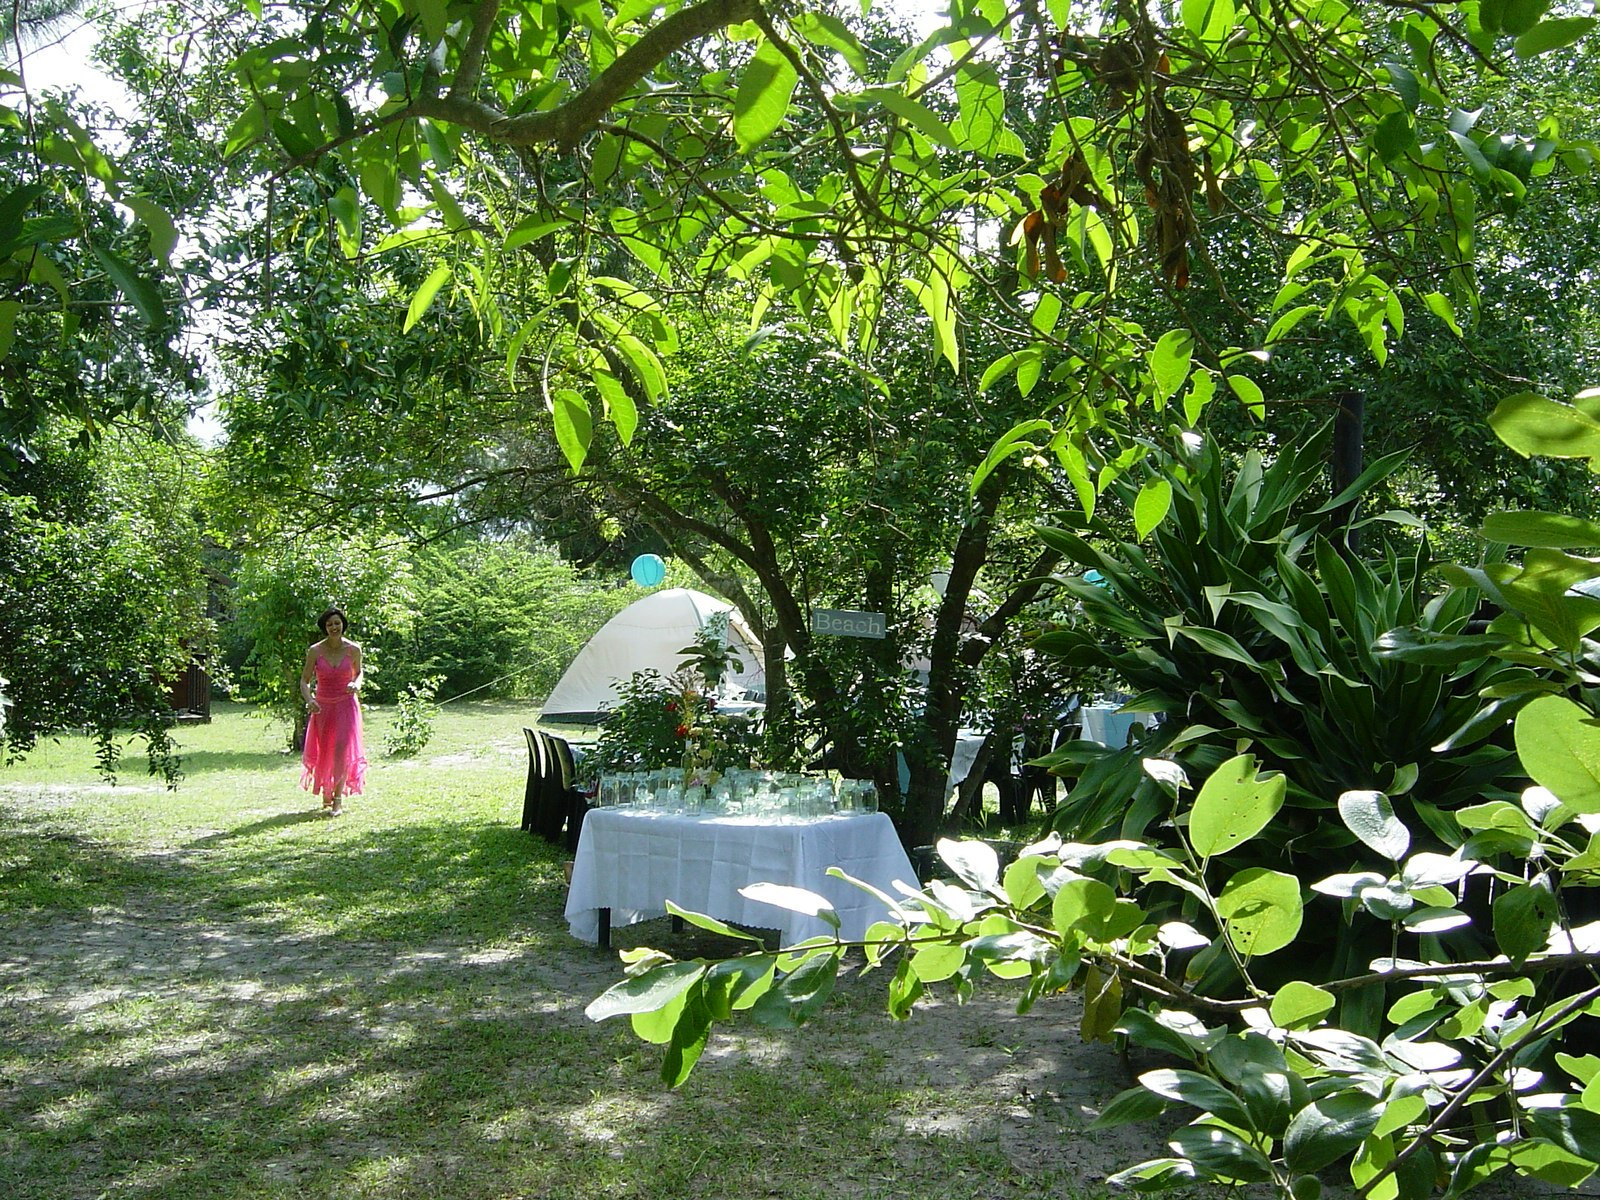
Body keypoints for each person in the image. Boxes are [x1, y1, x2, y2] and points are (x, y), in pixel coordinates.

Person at [299, 607, 367, 816]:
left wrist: (356, 684)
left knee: (341, 751)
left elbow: (359, 673)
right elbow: (304, 680)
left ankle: (337, 799)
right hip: (323, 707)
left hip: (346, 705)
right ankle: (327, 792)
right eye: (329, 624)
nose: (334, 627)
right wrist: (310, 699)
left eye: (337, 623)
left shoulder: (353, 649)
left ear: (343, 625)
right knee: (325, 751)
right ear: (324, 628)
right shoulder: (315, 651)